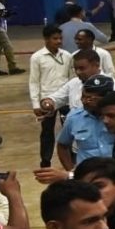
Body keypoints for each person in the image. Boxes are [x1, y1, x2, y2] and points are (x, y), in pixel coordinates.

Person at [29, 26, 76, 168]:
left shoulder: (67, 56)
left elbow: (71, 78)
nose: (59, 41)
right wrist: (36, 104)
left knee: (70, 130)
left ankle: (72, 157)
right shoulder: (37, 57)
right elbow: (34, 81)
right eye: (55, 39)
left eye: (60, 38)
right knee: (47, 132)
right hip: (46, 100)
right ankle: (45, 160)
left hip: (65, 99)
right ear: (46, 39)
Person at [54, 76, 115, 170]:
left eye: (90, 98)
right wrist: (72, 173)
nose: (84, 101)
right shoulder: (74, 118)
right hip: (87, 178)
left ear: (106, 98)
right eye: (83, 96)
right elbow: (62, 145)